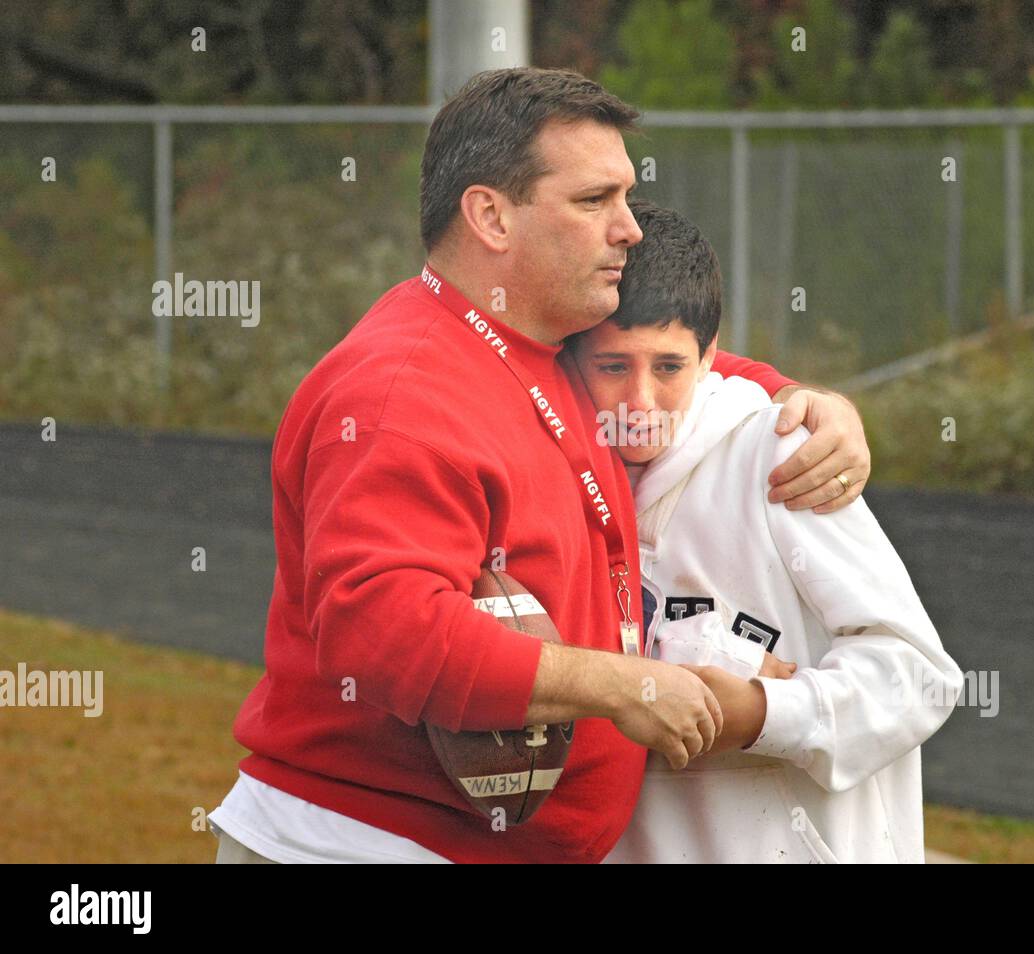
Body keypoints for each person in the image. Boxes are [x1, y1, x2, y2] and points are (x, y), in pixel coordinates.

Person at [208, 67, 874, 864]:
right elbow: (382, 630)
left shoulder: (545, 342)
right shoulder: (401, 389)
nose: (629, 228)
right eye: (595, 201)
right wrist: (622, 685)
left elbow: (675, 364)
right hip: (359, 846)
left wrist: (802, 397)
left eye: (626, 198)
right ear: (490, 215)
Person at [566, 200, 963, 863]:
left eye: (667, 367)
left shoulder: (778, 457)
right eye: (612, 366)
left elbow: (917, 677)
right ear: (571, 356)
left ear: (712, 357)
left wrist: (760, 711)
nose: (639, 403)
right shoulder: (557, 477)